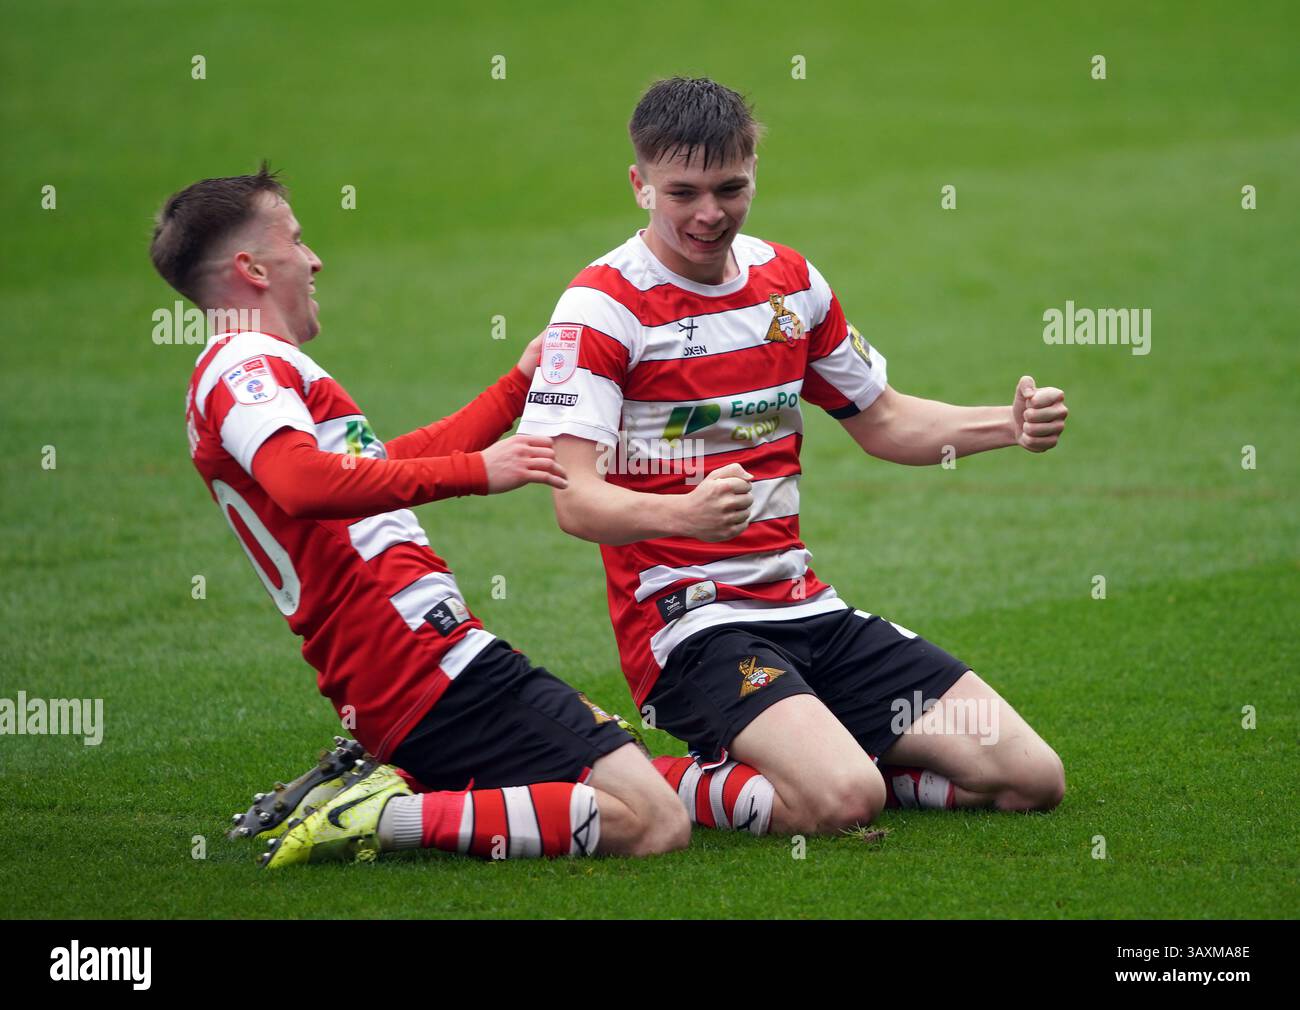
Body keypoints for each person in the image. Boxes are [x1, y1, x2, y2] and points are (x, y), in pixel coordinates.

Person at [516, 78, 1068, 838]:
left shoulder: (791, 286)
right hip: (689, 625)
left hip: (809, 609)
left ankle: (829, 751)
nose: (709, 214)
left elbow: (886, 420)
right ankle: (650, 779)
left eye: (730, 188)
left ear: (752, 172)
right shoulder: (601, 309)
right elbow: (573, 500)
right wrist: (684, 513)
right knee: (844, 802)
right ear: (639, 185)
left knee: (1032, 780)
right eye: (683, 193)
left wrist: (1005, 425)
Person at [150, 165, 689, 867]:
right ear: (251, 266)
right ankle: (382, 813)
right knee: (653, 822)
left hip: (406, 670)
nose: (314, 260)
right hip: (423, 663)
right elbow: (304, 484)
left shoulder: (248, 370)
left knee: (623, 768)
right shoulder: (244, 364)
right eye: (297, 240)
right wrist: (478, 474)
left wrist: (515, 388)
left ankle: (392, 784)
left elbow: (374, 472)